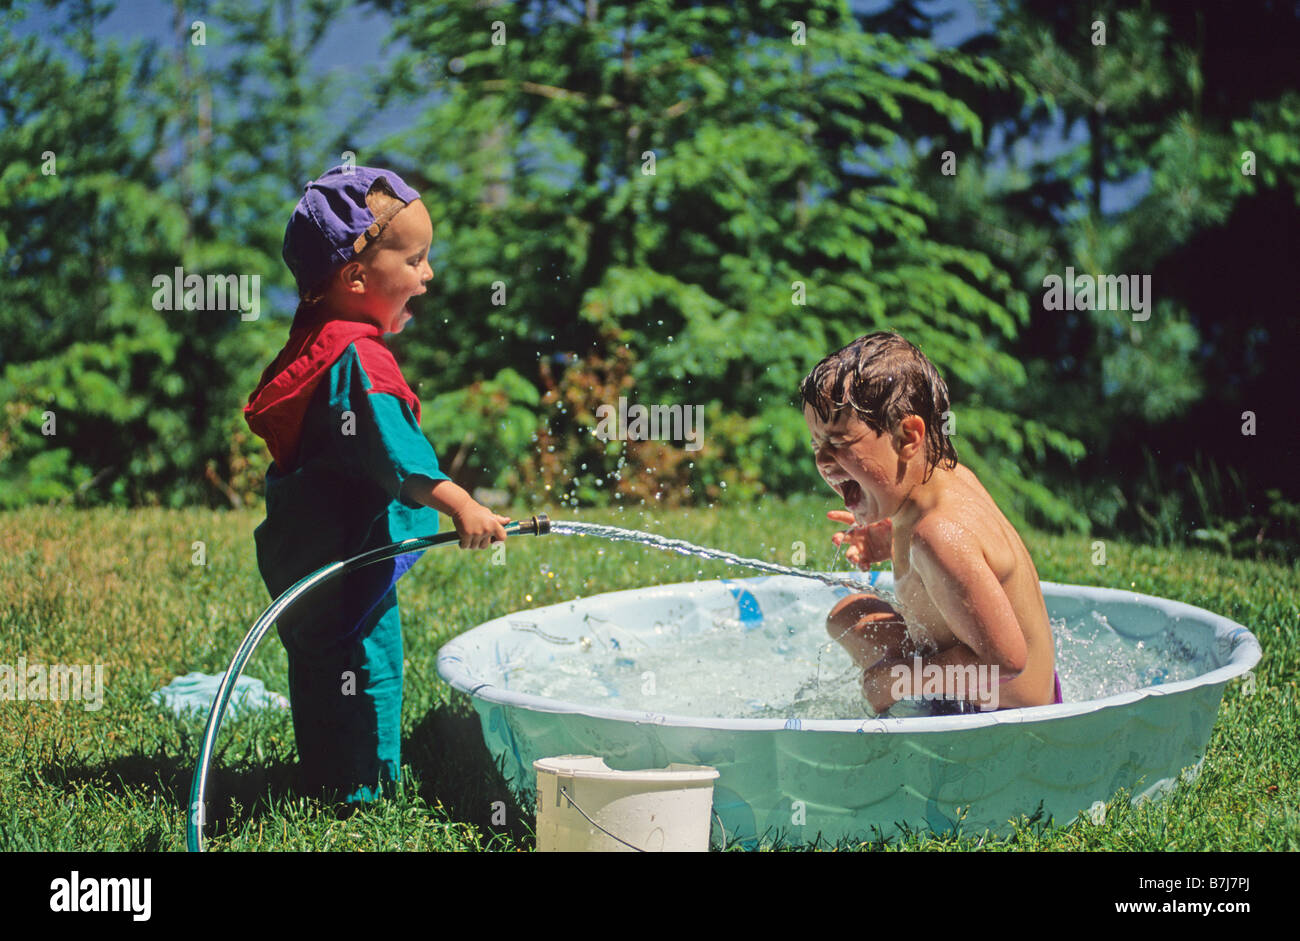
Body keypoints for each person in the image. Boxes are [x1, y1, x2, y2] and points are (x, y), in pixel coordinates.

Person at [244, 165, 509, 803]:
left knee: (320, 672)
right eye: (416, 259)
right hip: (349, 558)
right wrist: (462, 503)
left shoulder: (313, 345)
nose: (429, 275)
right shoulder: (359, 360)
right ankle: (364, 796)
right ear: (357, 276)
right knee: (369, 668)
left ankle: (326, 782)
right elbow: (397, 456)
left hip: (308, 554)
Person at [799, 332, 1062, 716]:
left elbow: (1004, 663)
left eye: (838, 441)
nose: (823, 461)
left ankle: (920, 710)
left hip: (1008, 718)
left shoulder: (938, 535)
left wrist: (894, 681)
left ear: (908, 437)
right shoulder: (944, 482)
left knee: (872, 667)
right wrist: (889, 540)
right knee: (850, 616)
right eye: (816, 444)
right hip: (1010, 691)